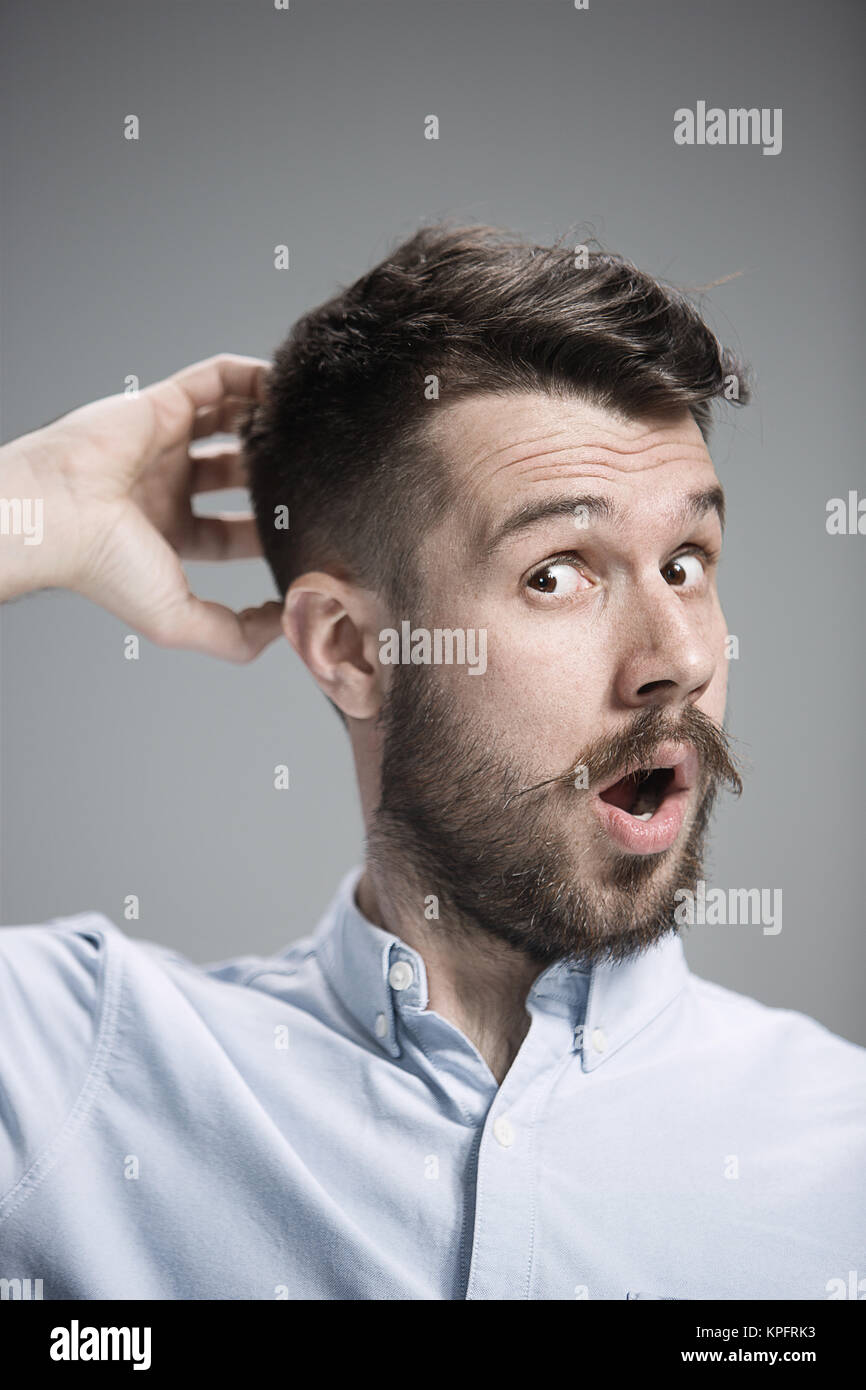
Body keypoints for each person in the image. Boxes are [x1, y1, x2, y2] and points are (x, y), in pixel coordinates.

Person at [0, 225, 862, 1301]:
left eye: (684, 562)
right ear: (354, 649)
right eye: (557, 573)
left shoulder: (844, 1157)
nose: (677, 659)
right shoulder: (74, 1076)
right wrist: (29, 504)